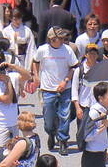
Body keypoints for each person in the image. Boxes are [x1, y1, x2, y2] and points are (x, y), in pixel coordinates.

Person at [32, 27, 78, 155]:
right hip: (48, 89)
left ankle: (63, 140)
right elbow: (35, 61)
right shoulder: (43, 50)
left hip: (65, 88)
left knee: (65, 115)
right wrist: (36, 75)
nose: (63, 40)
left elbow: (74, 67)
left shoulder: (67, 50)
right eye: (60, 38)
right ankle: (51, 133)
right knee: (49, 118)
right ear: (52, 39)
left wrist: (66, 80)